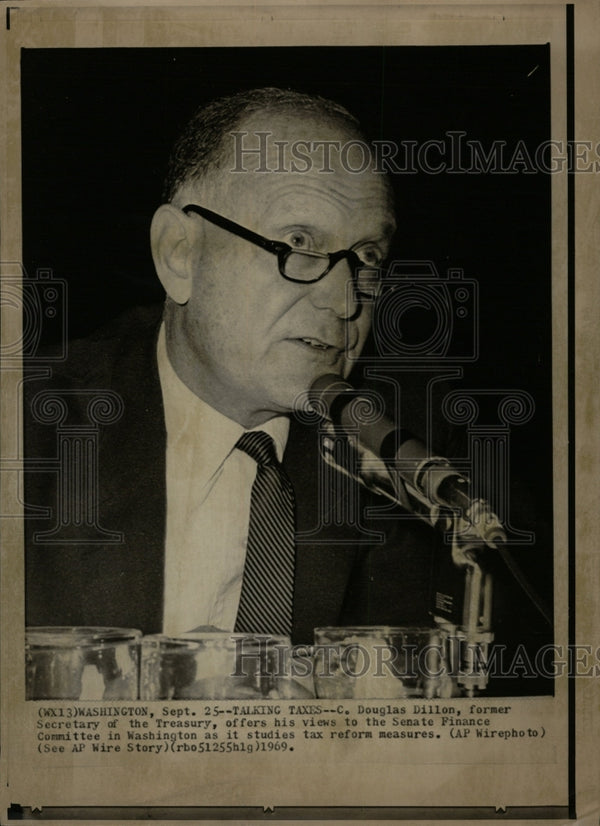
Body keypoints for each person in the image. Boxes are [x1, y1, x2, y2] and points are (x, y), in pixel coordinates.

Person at [24, 88, 551, 692]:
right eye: (298, 243)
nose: (345, 300)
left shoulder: (432, 461)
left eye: (368, 257)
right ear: (179, 254)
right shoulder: (29, 429)